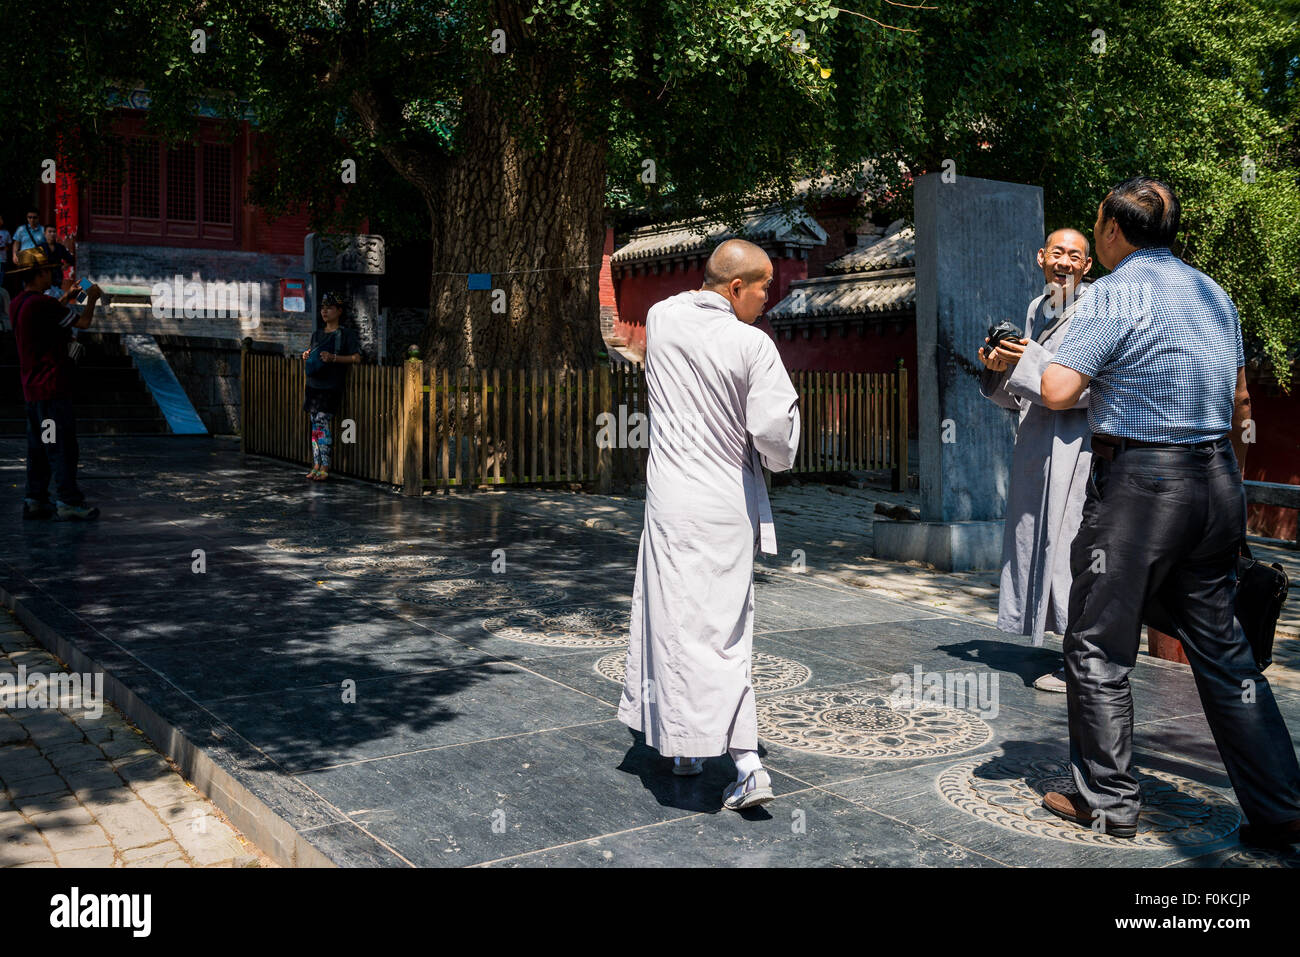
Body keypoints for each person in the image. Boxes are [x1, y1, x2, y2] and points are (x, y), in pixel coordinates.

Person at [1039, 176, 1300, 846]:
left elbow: (1058, 387)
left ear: (1114, 231)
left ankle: (1106, 800)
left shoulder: (1116, 289)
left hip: (1142, 484)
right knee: (1225, 653)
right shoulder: (1215, 292)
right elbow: (1242, 406)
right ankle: (1281, 808)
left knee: (1098, 643)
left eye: (1098, 225)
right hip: (1215, 482)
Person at [618, 238, 801, 811]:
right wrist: (774, 454)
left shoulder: (662, 317)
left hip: (669, 498)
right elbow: (777, 436)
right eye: (764, 286)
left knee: (671, 621)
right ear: (736, 288)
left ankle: (685, 745)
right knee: (720, 634)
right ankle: (746, 762)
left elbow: (681, 308)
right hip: (722, 503)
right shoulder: (753, 345)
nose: (769, 298)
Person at [978, 228, 1094, 692]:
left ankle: (1082, 661)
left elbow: (1083, 386)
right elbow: (1028, 391)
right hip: (1037, 444)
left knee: (1070, 550)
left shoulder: (1095, 310)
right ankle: (1064, 647)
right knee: (1037, 542)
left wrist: (1031, 360)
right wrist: (999, 369)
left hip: (1076, 446)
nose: (1065, 262)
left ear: (1087, 267)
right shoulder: (1035, 309)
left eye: (1076, 256)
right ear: (1041, 258)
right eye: (1058, 253)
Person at [9, 247, 103, 520]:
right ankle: (68, 501)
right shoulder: (42, 304)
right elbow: (83, 323)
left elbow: (46, 316)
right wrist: (91, 299)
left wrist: (65, 297)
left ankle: (35, 497)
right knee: (60, 445)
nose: (52, 275)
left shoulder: (19, 303)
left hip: (32, 389)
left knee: (38, 445)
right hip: (51, 387)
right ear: (37, 274)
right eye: (48, 271)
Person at [300, 290, 361, 481]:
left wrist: (334, 358)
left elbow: (356, 358)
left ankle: (325, 466)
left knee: (322, 423)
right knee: (314, 425)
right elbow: (314, 352)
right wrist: (307, 355)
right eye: (323, 308)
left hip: (330, 386)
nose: (325, 311)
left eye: (330, 308)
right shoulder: (317, 334)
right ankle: (316, 464)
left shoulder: (346, 335)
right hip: (313, 385)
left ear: (339, 310)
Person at [42, 226, 75, 297]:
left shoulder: (60, 247)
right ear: (44, 233)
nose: (52, 234)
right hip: (43, 277)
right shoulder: (40, 247)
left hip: (57, 276)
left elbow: (71, 259)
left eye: (54, 232)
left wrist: (66, 265)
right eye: (50, 232)